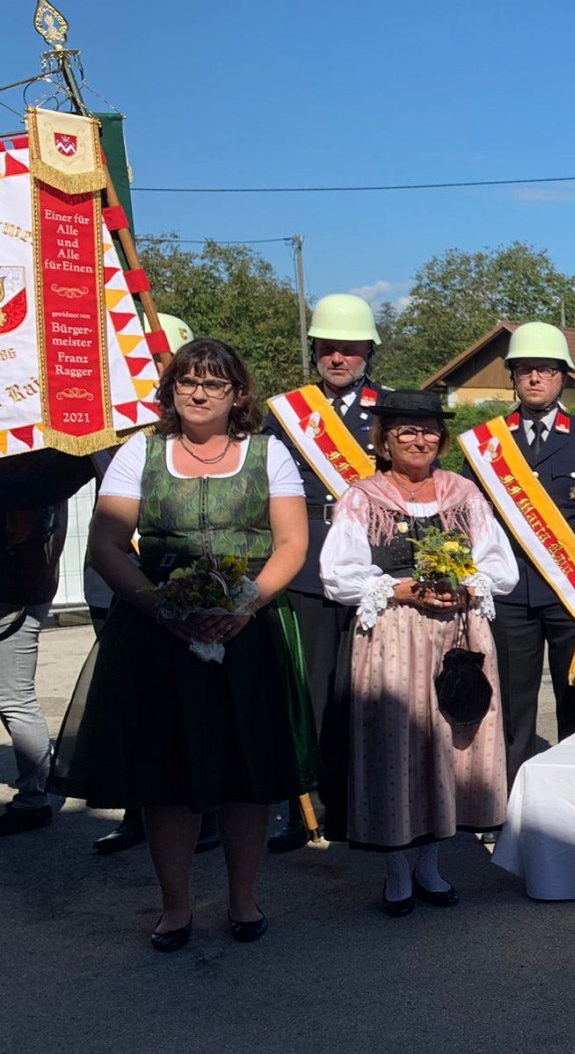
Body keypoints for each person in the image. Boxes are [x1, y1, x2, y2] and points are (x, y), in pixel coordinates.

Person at [55, 338, 311, 951]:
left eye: (214, 384)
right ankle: (175, 907)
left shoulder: (269, 454)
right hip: (156, 634)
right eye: (187, 381)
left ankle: (243, 899)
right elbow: (110, 546)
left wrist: (243, 607)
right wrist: (160, 607)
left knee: (246, 772)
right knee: (167, 773)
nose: (198, 393)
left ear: (238, 394)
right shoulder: (136, 455)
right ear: (169, 390)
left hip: (246, 631)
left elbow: (291, 546)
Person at [320, 391, 518, 914]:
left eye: (428, 429)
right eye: (405, 429)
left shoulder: (464, 494)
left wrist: (468, 588)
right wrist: (401, 589)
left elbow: (500, 567)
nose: (418, 439)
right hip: (394, 635)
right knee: (397, 748)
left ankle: (432, 867)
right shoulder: (363, 496)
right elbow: (338, 574)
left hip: (457, 634)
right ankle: (397, 872)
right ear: (384, 438)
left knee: (452, 746)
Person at [460, 322, 575, 781]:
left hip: (571, 596)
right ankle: (514, 800)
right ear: (512, 376)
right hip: (509, 595)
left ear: (563, 378)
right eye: (525, 369)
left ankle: (572, 796)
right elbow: (469, 523)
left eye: (546, 370)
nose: (535, 378)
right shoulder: (487, 443)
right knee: (512, 704)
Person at [264, 293, 391, 853]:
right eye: (328, 348)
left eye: (349, 349)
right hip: (306, 561)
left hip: (370, 562)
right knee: (307, 692)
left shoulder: (389, 409)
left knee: (366, 692)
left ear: (368, 352)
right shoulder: (286, 411)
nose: (337, 358)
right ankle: (303, 805)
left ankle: (357, 805)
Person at [88, 315, 218, 856]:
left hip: (195, 587)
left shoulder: (207, 430)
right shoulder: (104, 429)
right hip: (120, 586)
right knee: (137, 710)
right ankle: (136, 812)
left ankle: (206, 809)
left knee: (201, 710)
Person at [0, 501, 65, 836]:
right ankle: (38, 784)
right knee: (13, 695)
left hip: (14, 589)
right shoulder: (42, 467)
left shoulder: (20, 473)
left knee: (14, 698)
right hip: (28, 583)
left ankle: (34, 799)